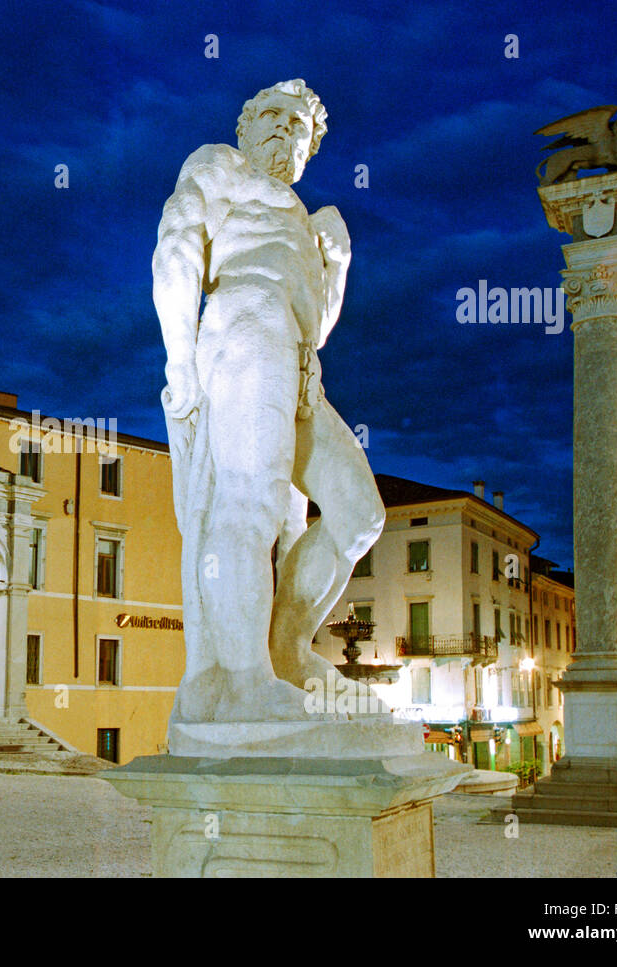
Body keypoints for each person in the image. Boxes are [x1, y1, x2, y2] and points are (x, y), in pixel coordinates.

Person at [153, 79, 385, 726]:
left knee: (359, 515)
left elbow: (317, 324)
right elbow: (175, 247)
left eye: (301, 128)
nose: (287, 130)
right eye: (274, 117)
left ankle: (285, 648)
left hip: (299, 363)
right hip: (245, 327)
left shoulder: (304, 219)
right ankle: (238, 678)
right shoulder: (221, 167)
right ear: (246, 126)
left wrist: (334, 265)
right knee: (248, 504)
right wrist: (180, 363)